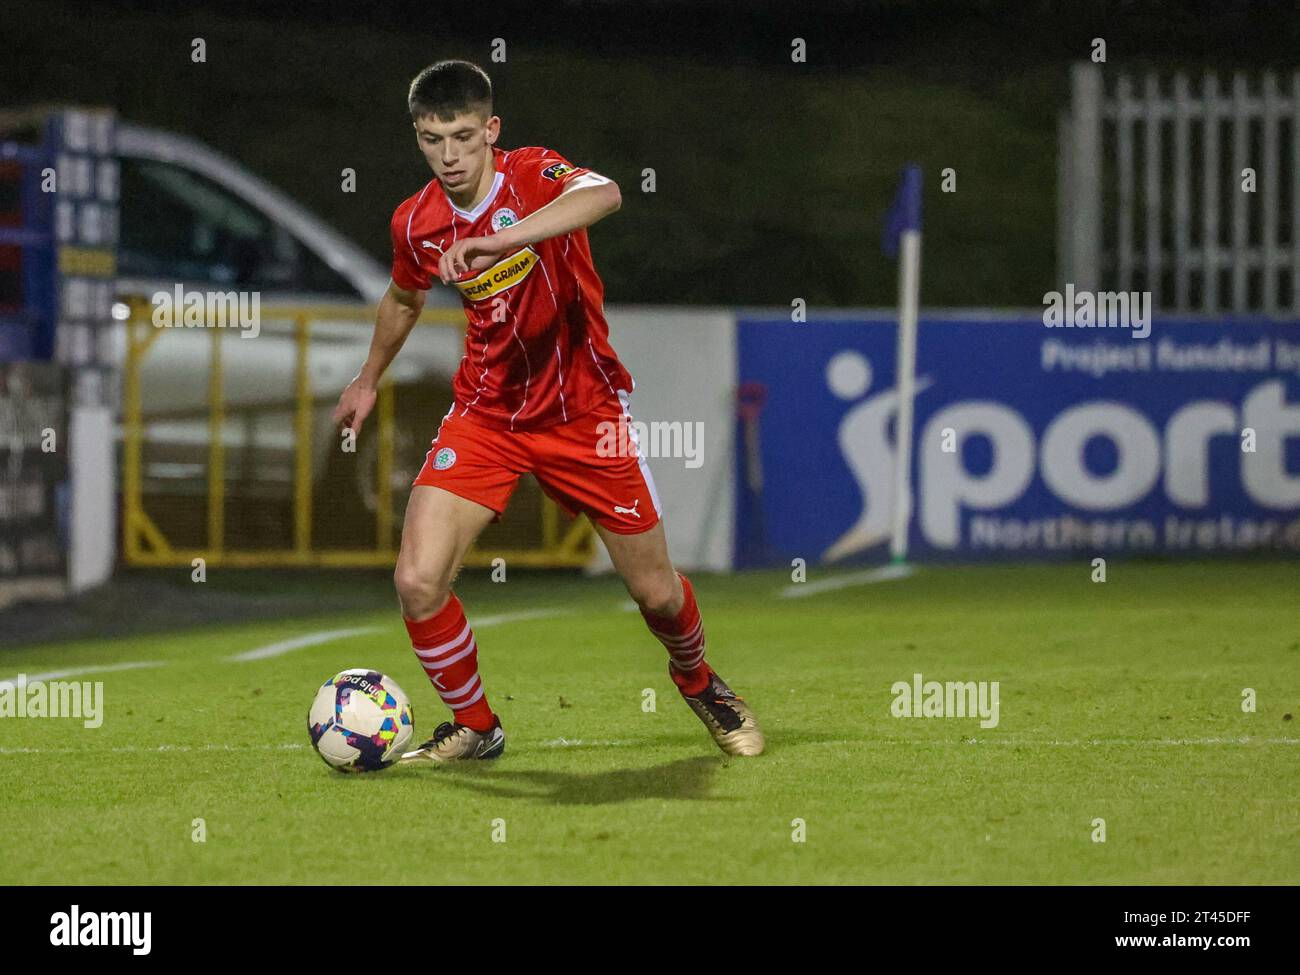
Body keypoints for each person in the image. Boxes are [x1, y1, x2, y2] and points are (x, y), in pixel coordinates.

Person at [332, 60, 763, 762]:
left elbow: (607, 193)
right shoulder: (416, 221)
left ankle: (700, 681)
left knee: (655, 592)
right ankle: (477, 724)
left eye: (464, 136)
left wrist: (503, 238)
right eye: (431, 139)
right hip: (486, 414)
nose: (449, 155)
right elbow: (405, 298)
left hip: (583, 412)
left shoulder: (532, 174)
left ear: (492, 130)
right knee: (415, 579)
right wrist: (367, 378)